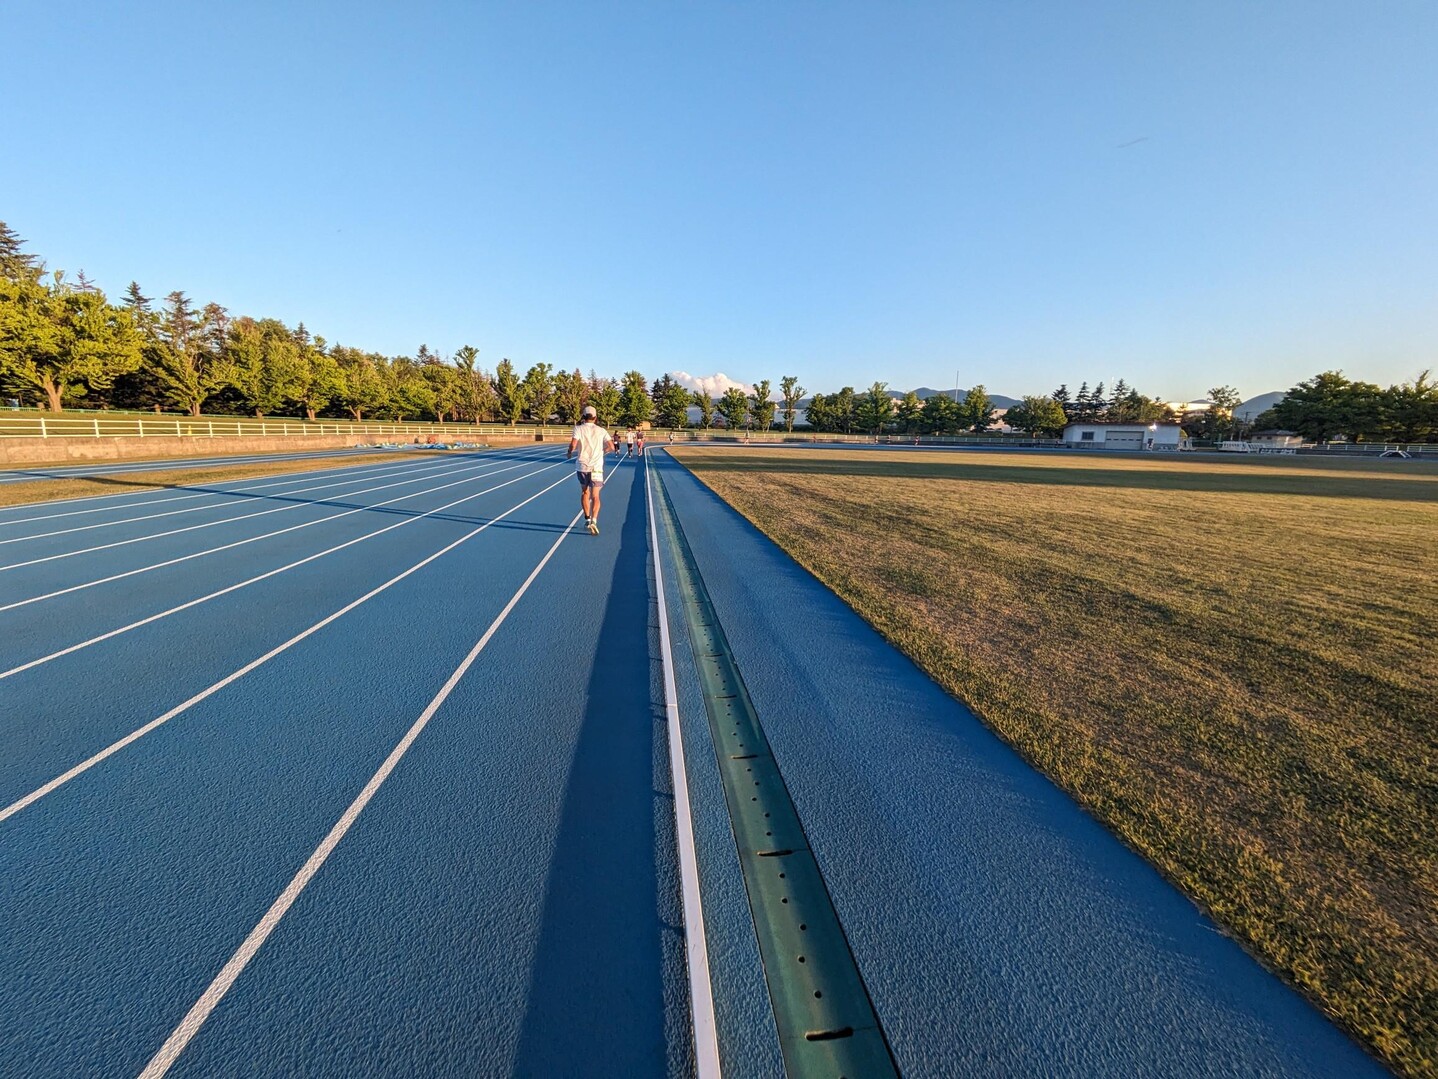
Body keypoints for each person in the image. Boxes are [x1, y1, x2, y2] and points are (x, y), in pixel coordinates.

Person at [567, 406, 614, 535]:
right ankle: (594, 520)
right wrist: (602, 452)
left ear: (583, 417)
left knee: (584, 492)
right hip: (597, 467)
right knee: (596, 496)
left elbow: (573, 444)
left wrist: (569, 452)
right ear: (595, 418)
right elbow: (611, 446)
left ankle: (587, 519)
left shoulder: (578, 429)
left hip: (582, 466)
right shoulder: (601, 430)